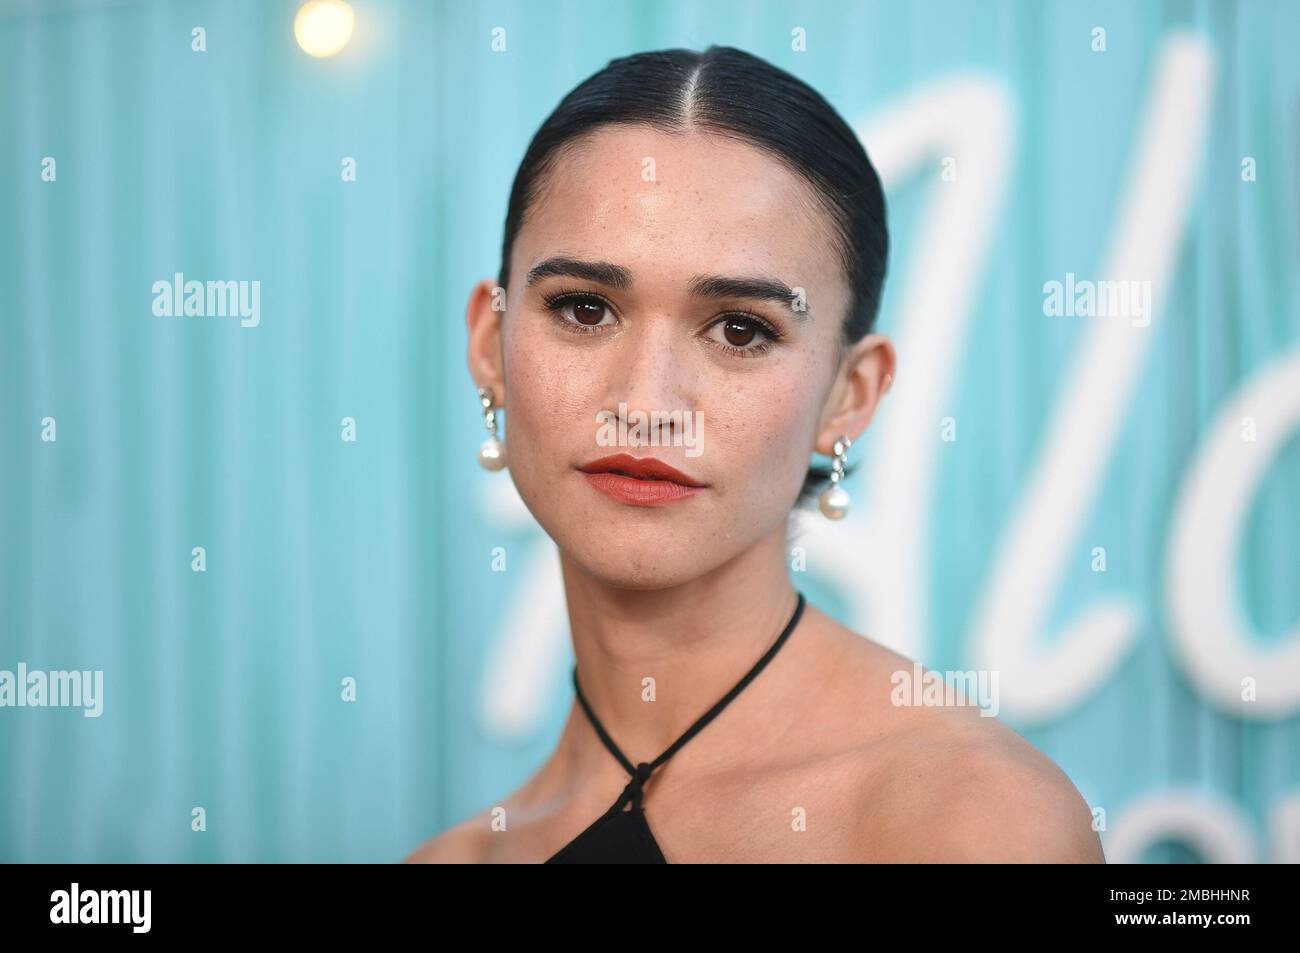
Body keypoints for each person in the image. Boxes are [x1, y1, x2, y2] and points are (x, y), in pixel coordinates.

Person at [406, 45, 1104, 863]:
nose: (647, 406)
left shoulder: (972, 820)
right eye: (586, 308)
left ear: (851, 394)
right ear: (491, 343)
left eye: (742, 329)